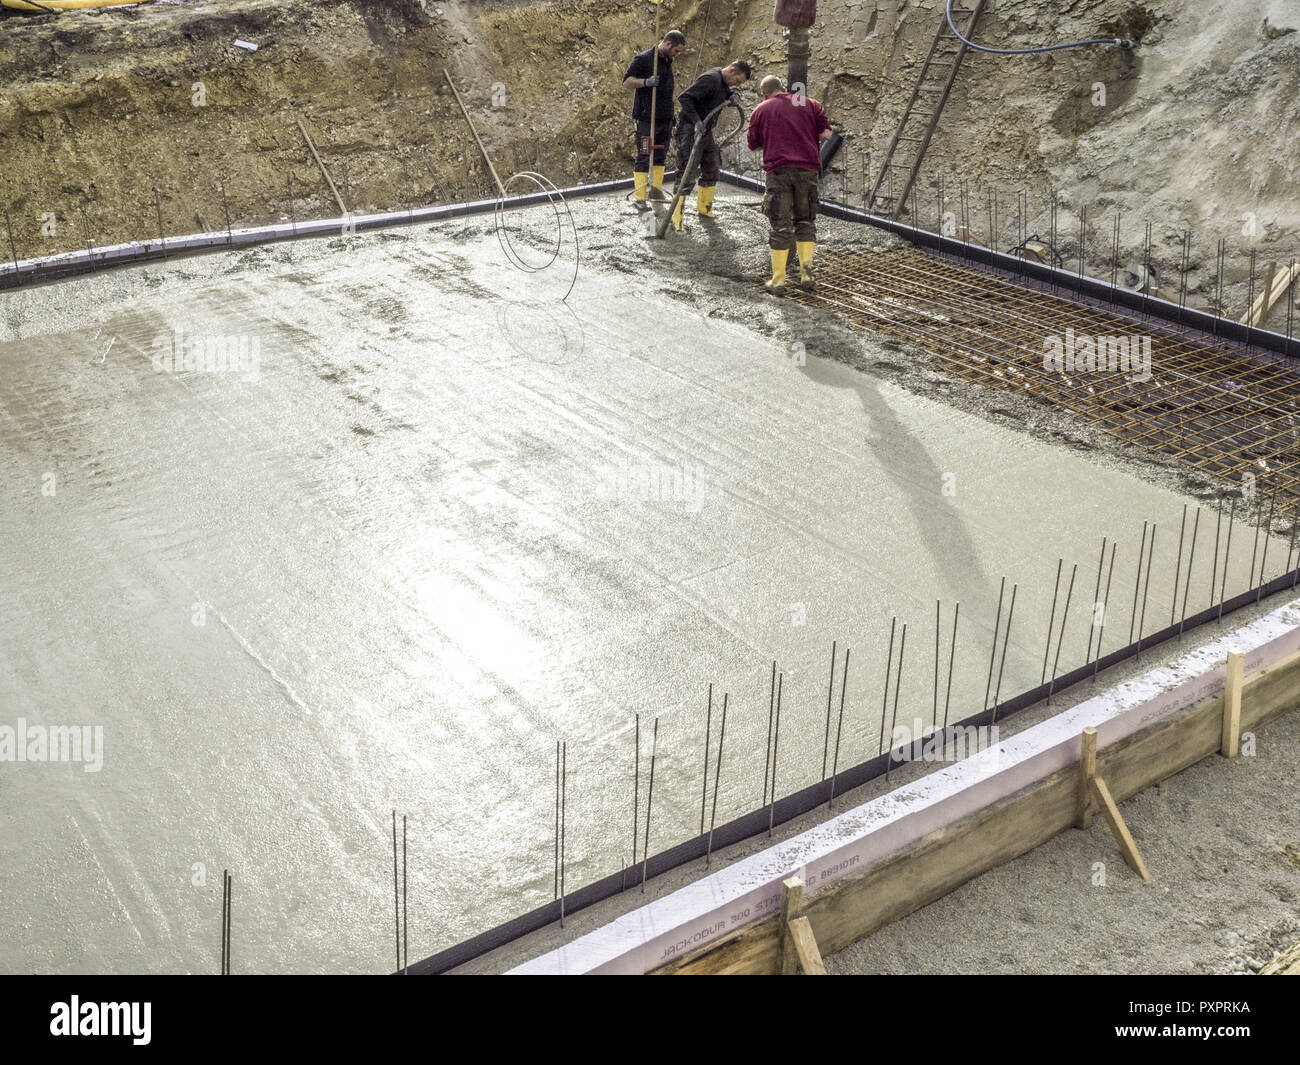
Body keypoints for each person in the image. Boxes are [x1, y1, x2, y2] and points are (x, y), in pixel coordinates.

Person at [746, 74, 833, 295]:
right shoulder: (811, 104)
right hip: (807, 171)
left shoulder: (761, 109)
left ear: (765, 93)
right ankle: (806, 276)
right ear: (783, 88)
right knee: (805, 222)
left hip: (779, 173)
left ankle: (778, 281)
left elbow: (753, 145)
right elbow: (826, 134)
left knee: (780, 225)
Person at [672, 60, 752, 230]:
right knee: (687, 171)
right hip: (690, 130)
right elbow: (684, 98)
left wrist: (733, 95)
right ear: (732, 71)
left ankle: (704, 208)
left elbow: (726, 92)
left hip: (706, 131)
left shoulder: (723, 82)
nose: (736, 84)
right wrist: (696, 121)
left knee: (712, 166)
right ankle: (676, 217)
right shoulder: (711, 79)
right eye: (737, 81)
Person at [623, 30, 687, 210]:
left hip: (664, 118)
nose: (677, 54)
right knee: (644, 155)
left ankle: (656, 191)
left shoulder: (667, 60)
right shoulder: (644, 59)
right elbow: (627, 82)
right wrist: (646, 82)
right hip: (646, 118)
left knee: (660, 154)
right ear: (668, 44)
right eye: (676, 51)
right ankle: (640, 198)